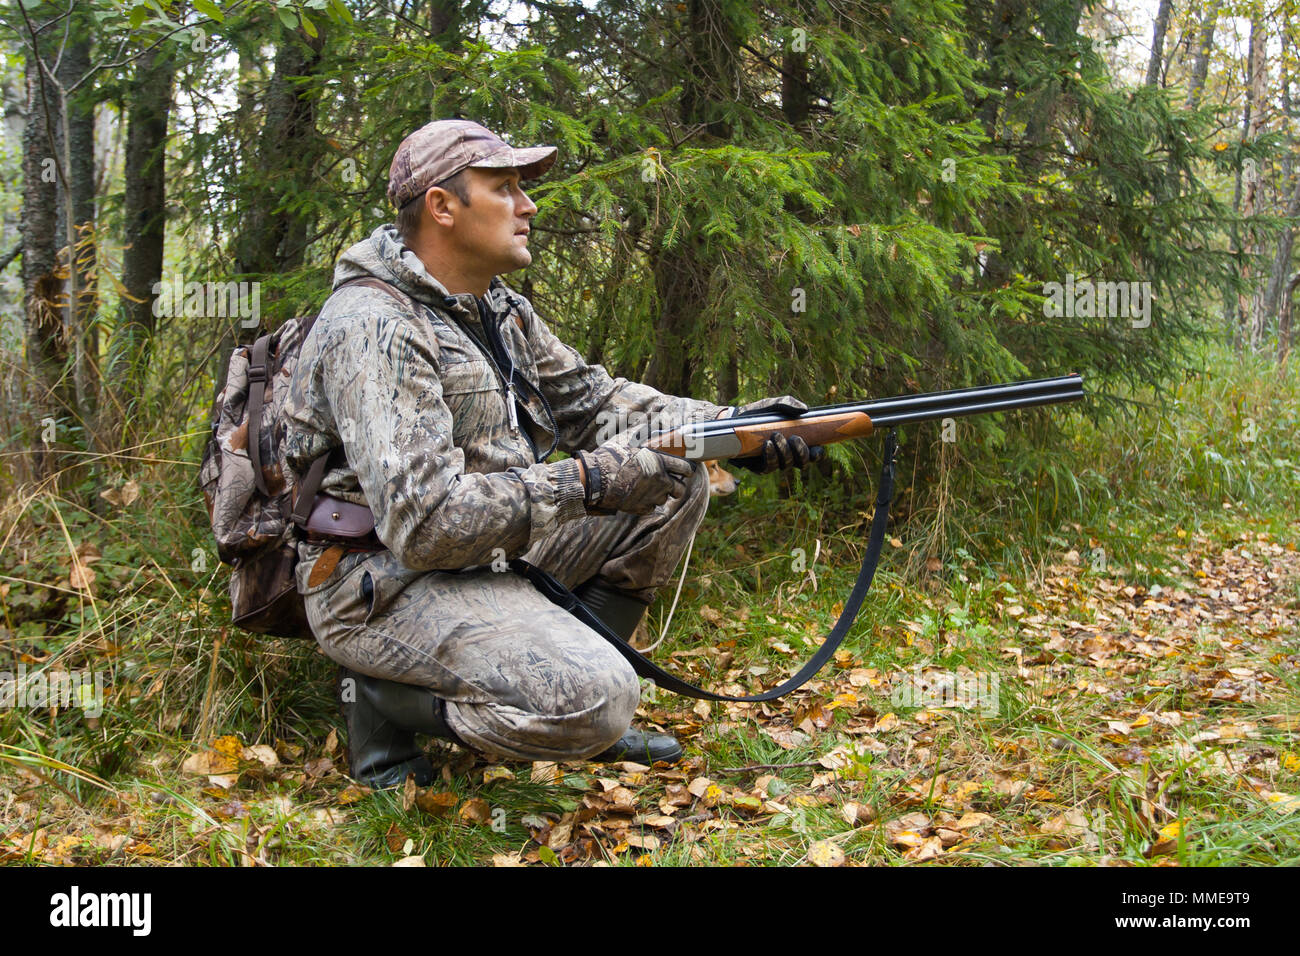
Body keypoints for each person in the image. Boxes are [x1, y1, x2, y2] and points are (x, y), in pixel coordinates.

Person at [282, 119, 818, 788]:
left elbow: (595, 402)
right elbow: (423, 526)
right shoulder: (375, 325)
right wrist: (591, 479)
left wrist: (734, 428)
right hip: (379, 584)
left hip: (482, 553)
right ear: (442, 207)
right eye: (504, 188)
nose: (529, 205)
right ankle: (379, 703)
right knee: (597, 700)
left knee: (675, 477)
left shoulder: (494, 307)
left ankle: (569, 702)